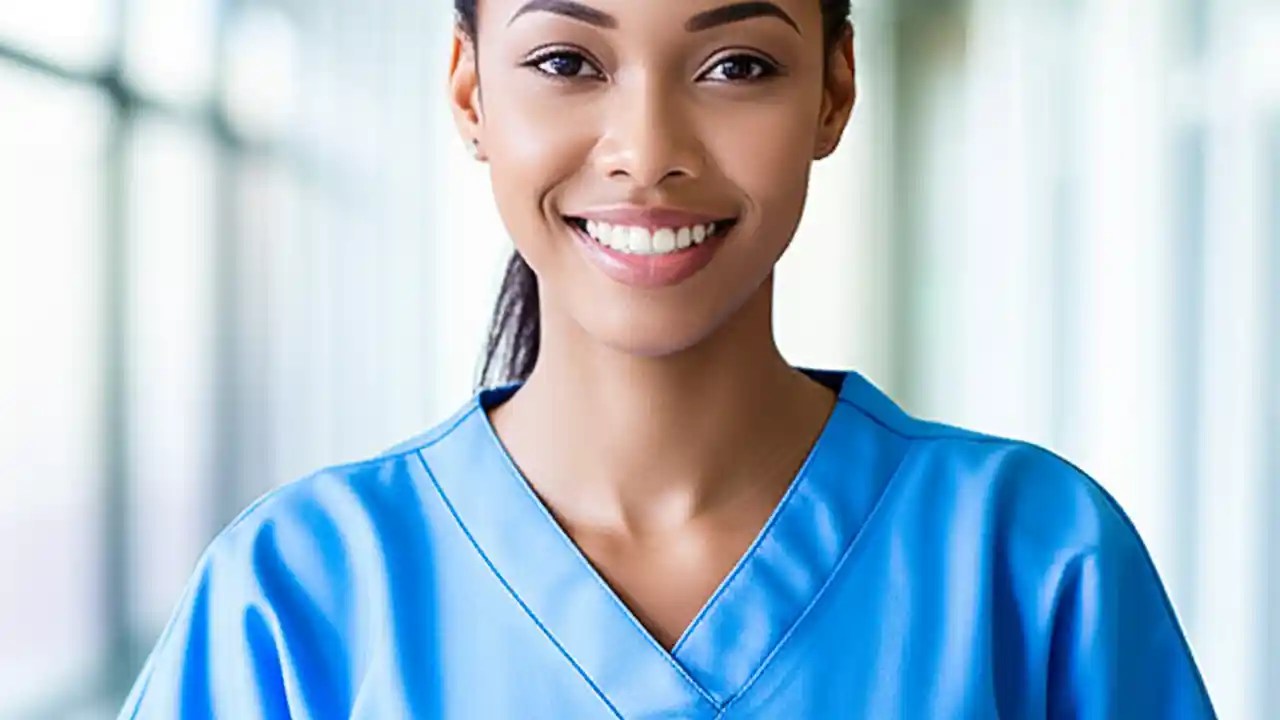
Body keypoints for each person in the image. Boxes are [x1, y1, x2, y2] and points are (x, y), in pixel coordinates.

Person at [119, 0, 1217, 717]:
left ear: (833, 89)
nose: (646, 153)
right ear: (470, 94)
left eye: (736, 65)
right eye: (565, 61)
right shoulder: (293, 599)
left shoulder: (1033, 565)